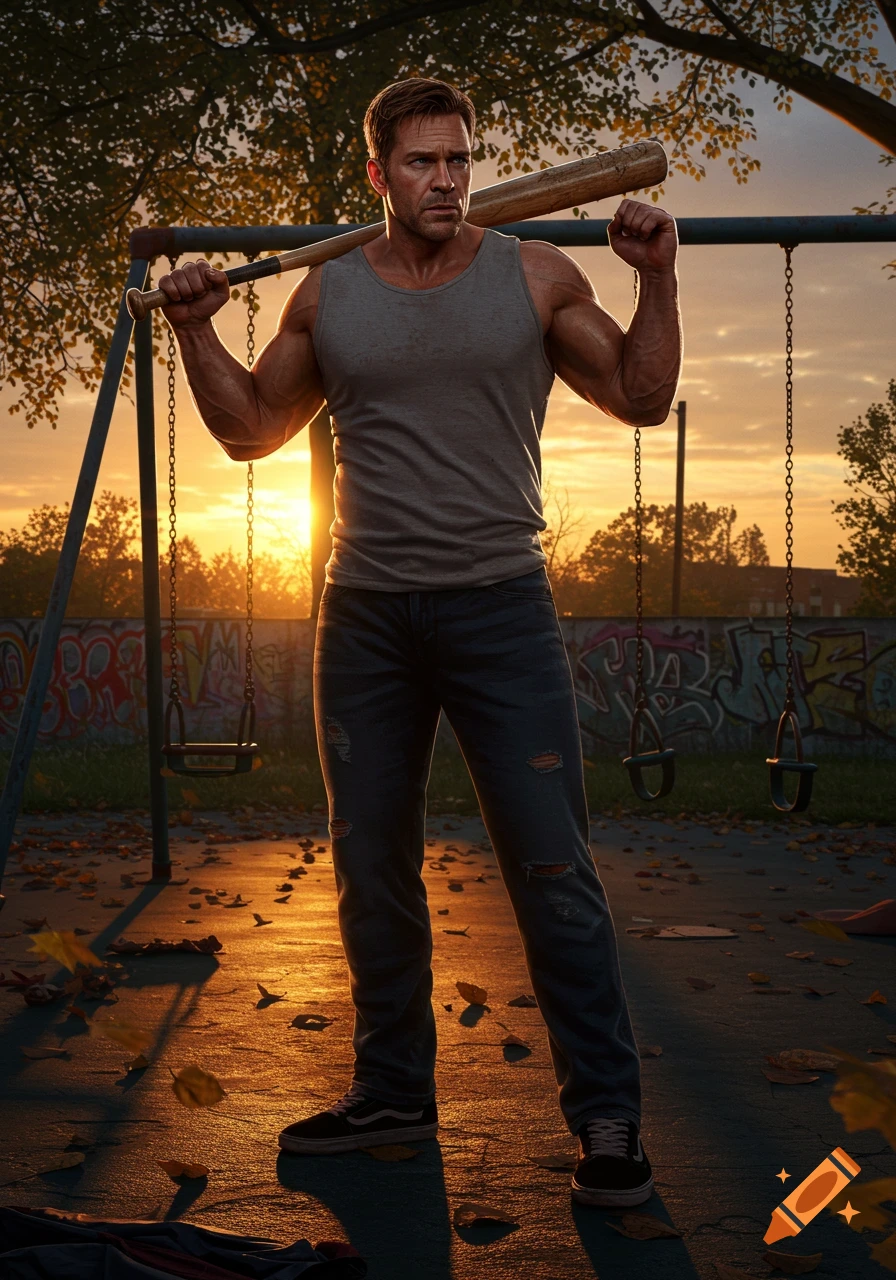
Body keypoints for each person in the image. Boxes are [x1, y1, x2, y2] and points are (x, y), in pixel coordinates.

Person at [158, 76, 681, 1209]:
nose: (445, 180)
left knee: (553, 868)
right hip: (366, 618)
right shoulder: (330, 290)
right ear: (378, 174)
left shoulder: (536, 275)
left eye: (458, 160)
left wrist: (658, 277)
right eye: (420, 162)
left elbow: (641, 397)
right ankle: (391, 1090)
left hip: (501, 609)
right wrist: (196, 329)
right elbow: (251, 429)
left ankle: (605, 1114)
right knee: (371, 873)